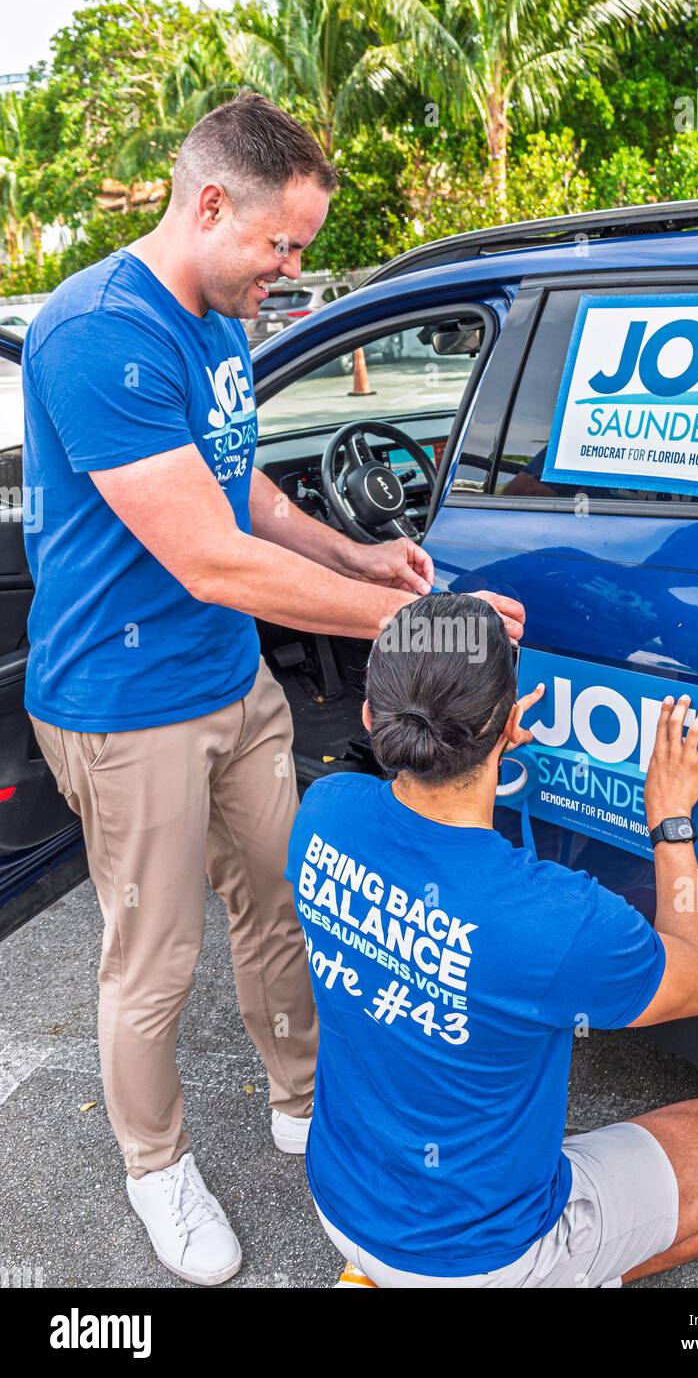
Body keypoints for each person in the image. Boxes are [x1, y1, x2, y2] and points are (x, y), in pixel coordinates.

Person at [22, 94, 523, 1287]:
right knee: (153, 962)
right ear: (209, 205)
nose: (291, 272)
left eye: (299, 247)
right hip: (120, 705)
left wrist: (351, 556)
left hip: (228, 680)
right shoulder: (101, 333)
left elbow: (240, 493)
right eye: (279, 245)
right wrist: (419, 617)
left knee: (277, 903)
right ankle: (156, 1168)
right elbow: (206, 556)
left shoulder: (217, 324)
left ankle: (300, 1101)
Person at [285, 592, 698, 1288]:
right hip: (479, 1258)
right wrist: (669, 820)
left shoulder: (323, 813)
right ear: (511, 721)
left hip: (340, 1201)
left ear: (368, 716)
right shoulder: (553, 919)